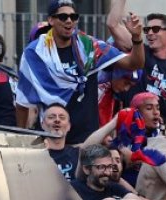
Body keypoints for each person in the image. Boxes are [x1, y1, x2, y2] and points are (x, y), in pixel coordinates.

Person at [15, 0, 145, 144]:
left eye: (73, 16)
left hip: (86, 140)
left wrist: (137, 38)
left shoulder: (89, 46)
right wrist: (21, 138)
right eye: (63, 17)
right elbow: (22, 101)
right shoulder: (35, 52)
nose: (69, 20)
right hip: (50, 140)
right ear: (51, 20)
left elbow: (135, 63)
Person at [122, 13, 166, 119]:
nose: (150, 33)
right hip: (135, 128)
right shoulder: (140, 52)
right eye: (147, 30)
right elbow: (112, 25)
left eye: (155, 29)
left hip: (164, 131)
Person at [40, 104, 79, 182]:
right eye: (51, 117)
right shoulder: (33, 155)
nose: (57, 120)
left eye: (62, 117)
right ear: (43, 125)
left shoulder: (77, 154)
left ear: (69, 126)